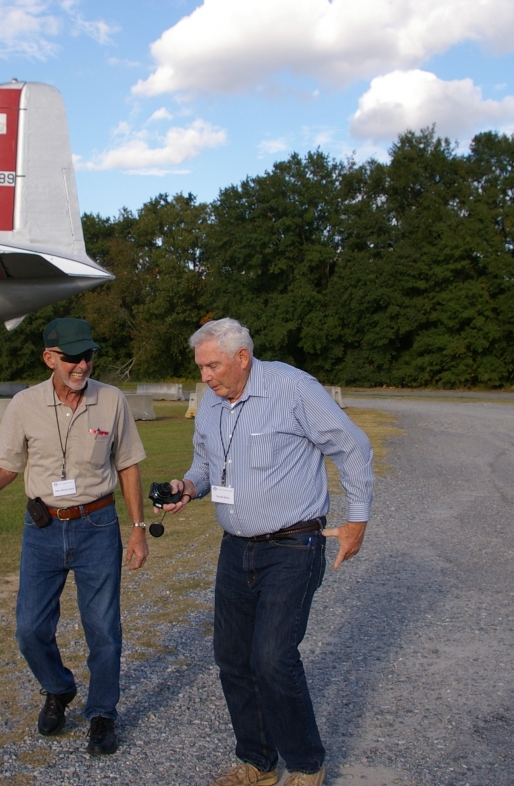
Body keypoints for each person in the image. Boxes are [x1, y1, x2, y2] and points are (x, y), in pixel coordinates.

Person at [160, 318, 373, 786]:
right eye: (200, 367)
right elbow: (204, 462)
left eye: (213, 366)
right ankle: (257, 761)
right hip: (236, 549)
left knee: (273, 658)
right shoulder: (212, 403)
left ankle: (305, 765)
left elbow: (352, 447)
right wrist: (188, 486)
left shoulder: (293, 389)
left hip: (293, 545)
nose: (205, 377)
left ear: (242, 357)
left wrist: (357, 521)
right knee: (233, 658)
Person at [0, 317, 148, 757]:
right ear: (50, 358)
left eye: (87, 356)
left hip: (98, 526)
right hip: (43, 528)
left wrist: (138, 529)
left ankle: (102, 712)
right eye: (71, 357)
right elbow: (4, 469)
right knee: (29, 629)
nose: (82, 365)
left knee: (103, 629)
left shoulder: (112, 400)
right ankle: (58, 688)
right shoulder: (24, 404)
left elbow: (128, 465)